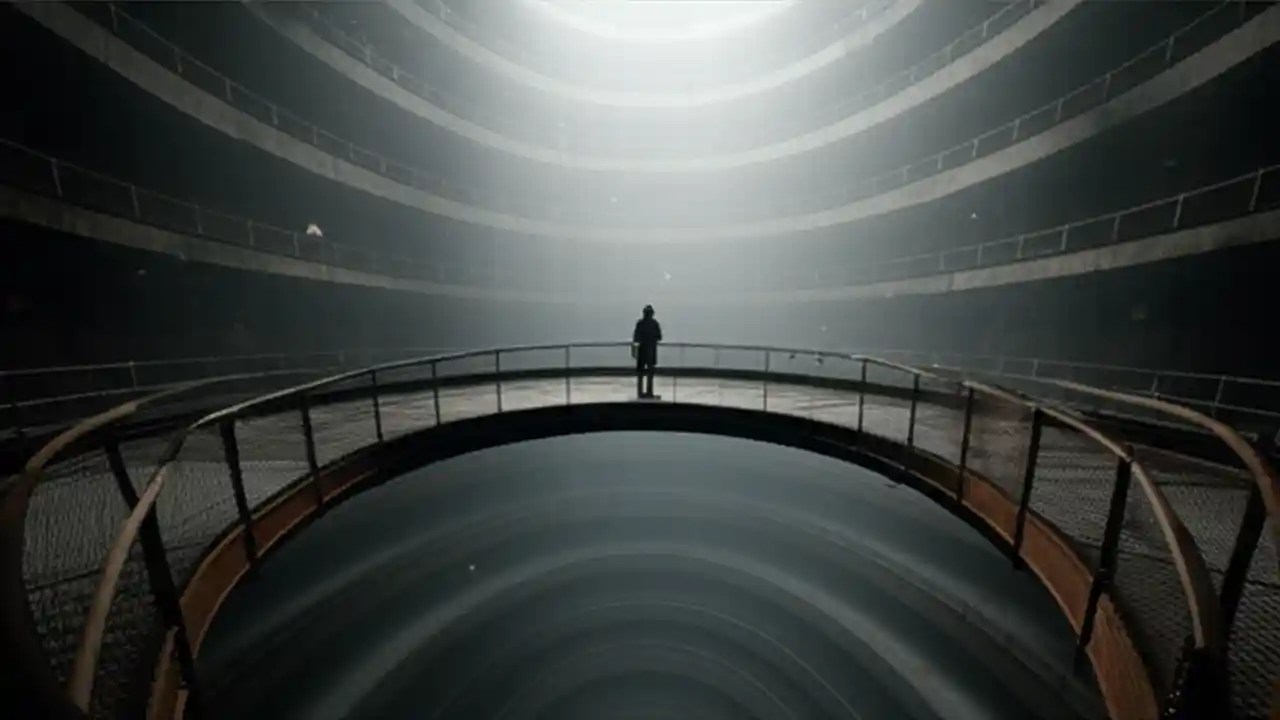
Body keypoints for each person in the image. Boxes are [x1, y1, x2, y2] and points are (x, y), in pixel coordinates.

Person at [631, 305, 662, 399]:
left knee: (642, 374)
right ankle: (649, 392)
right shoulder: (654, 324)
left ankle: (641, 393)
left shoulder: (640, 324)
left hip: (642, 351)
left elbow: (636, 337)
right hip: (650, 351)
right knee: (649, 373)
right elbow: (659, 337)